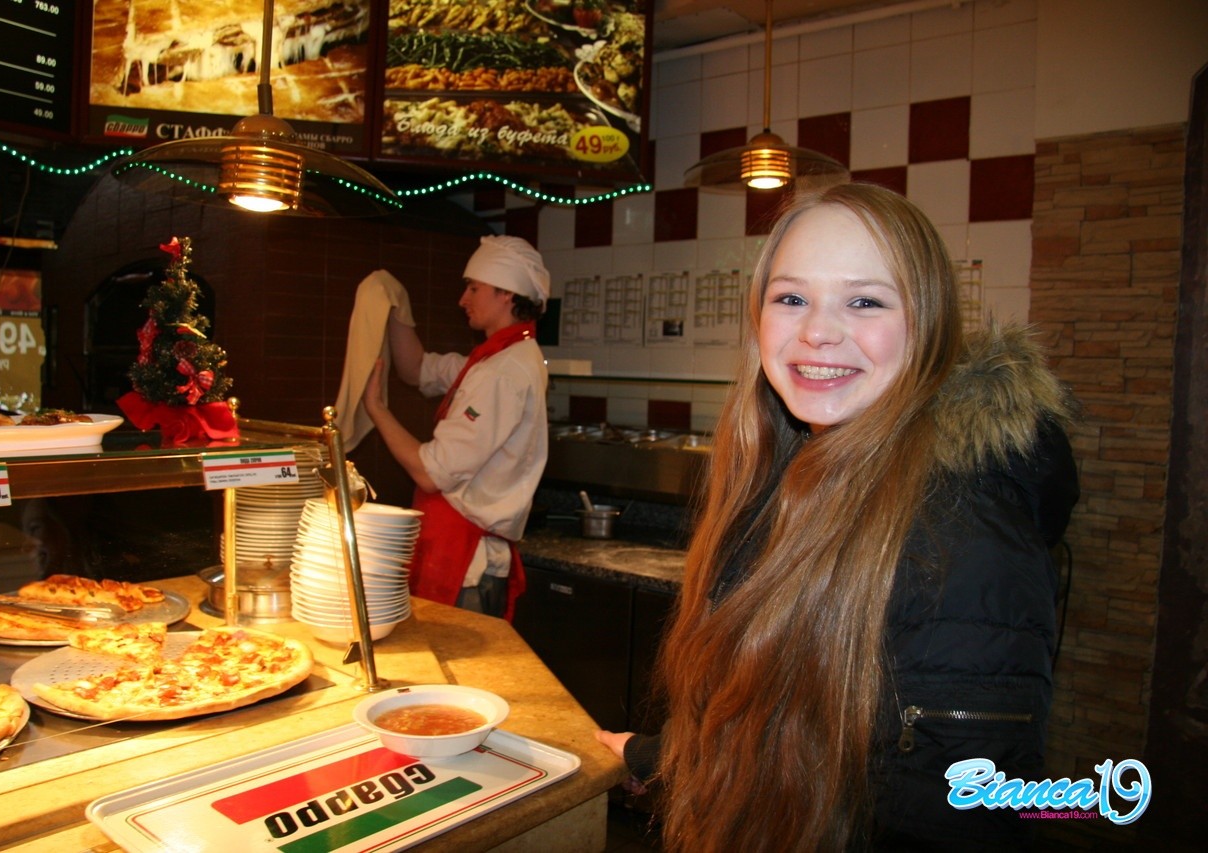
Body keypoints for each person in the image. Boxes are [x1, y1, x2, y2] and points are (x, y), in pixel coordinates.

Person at [595, 183, 1079, 850]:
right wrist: (655, 756)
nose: (817, 331)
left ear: (928, 322)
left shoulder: (963, 539)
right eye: (792, 297)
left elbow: (952, 822)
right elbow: (781, 716)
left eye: (865, 300)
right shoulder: (790, 470)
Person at [362, 235, 550, 621]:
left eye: (473, 288)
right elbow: (416, 369)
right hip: (457, 552)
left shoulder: (504, 371)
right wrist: (399, 308)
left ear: (506, 294)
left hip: (468, 565)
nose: (463, 299)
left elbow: (430, 473)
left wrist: (376, 409)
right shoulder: (494, 358)